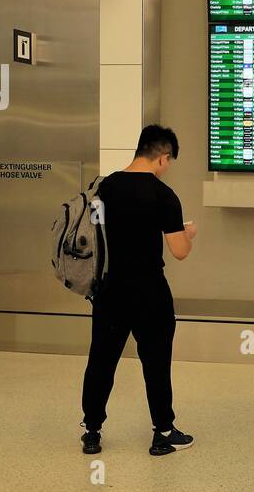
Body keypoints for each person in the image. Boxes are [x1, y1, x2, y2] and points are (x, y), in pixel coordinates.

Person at [80, 125, 198, 457]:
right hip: (149, 292)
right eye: (169, 160)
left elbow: (96, 232)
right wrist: (188, 232)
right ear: (163, 157)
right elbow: (179, 251)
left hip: (109, 290)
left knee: (102, 359)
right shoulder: (163, 196)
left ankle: (92, 431)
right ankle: (162, 433)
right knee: (156, 361)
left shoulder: (105, 188)